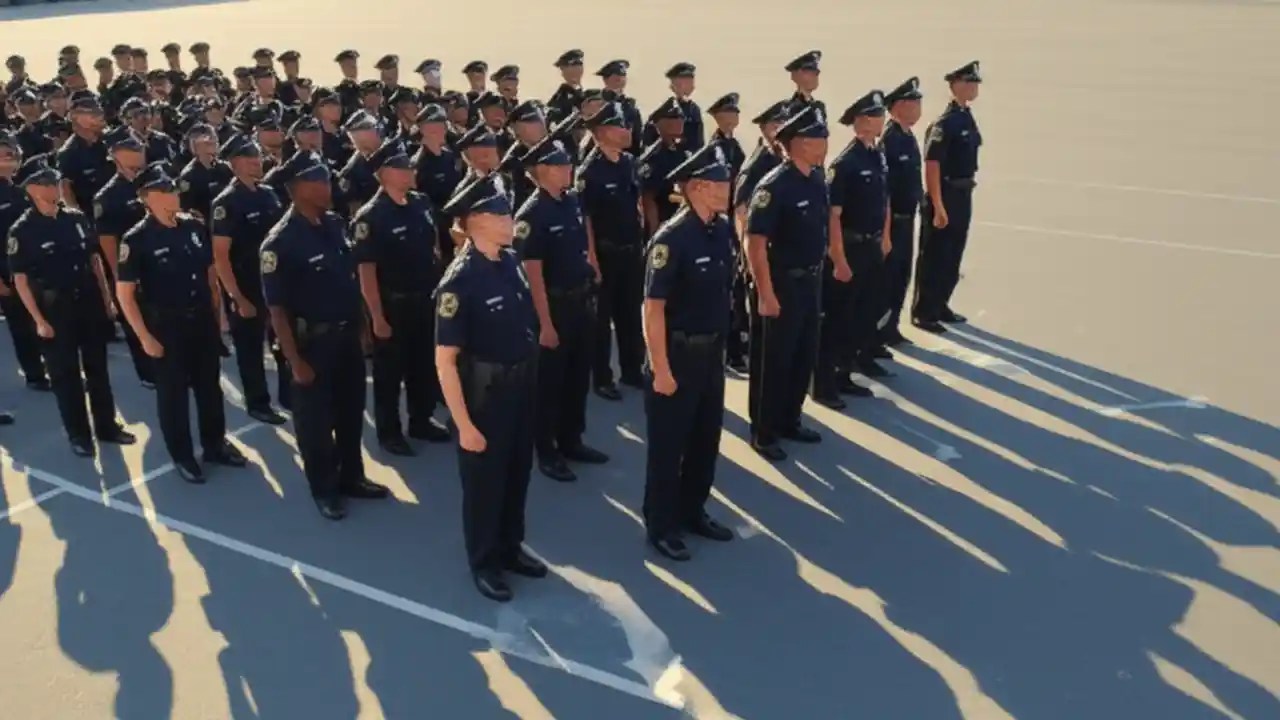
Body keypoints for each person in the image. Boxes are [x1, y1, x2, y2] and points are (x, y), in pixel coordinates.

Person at [434, 172, 546, 602]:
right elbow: (445, 361)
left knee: (518, 473)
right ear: (477, 220)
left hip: (519, 388)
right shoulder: (459, 282)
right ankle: (484, 561)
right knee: (485, 485)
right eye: (501, 212)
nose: (509, 218)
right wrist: (464, 425)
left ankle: (510, 547)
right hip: (485, 397)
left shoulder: (509, 261)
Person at [261, 152, 388, 520]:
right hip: (310, 346)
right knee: (315, 425)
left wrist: (363, 327)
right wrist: (294, 361)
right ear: (298, 189)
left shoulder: (334, 225)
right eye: (318, 181)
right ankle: (324, 489)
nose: (327, 186)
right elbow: (278, 312)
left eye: (327, 179)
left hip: (346, 337)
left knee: (350, 414)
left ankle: (353, 477)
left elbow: (350, 282)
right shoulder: (279, 242)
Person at [115, 164, 246, 483]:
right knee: (173, 395)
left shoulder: (193, 226)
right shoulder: (137, 240)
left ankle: (215, 444)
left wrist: (217, 317)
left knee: (209, 387)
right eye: (169, 190)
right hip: (166, 327)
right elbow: (126, 295)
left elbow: (209, 274)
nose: (176, 195)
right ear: (150, 197)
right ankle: (183, 455)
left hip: (200, 319)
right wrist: (144, 337)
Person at [640, 142, 738, 561]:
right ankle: (661, 525)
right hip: (676, 356)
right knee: (669, 446)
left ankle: (693, 509)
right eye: (720, 182)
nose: (727, 187)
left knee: (704, 438)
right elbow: (653, 308)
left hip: (710, 353)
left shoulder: (720, 229)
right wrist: (660, 367)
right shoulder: (671, 240)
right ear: (698, 187)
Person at [7, 158, 135, 457]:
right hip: (54, 309)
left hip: (88, 302)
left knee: (98, 369)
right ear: (32, 190)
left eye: (54, 183)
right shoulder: (22, 231)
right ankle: (78, 434)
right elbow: (22, 281)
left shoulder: (76, 219)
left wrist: (107, 300)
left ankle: (106, 427)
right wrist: (38, 319)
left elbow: (94, 262)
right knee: (66, 376)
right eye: (47, 184)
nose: (53, 189)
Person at [513, 136, 608, 483]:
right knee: (549, 382)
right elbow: (531, 273)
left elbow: (584, 233)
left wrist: (593, 264)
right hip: (553, 304)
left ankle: (572, 439)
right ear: (543, 171)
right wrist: (544, 324)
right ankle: (547, 449)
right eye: (561, 165)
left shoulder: (571, 201)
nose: (569, 169)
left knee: (577, 375)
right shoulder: (531, 214)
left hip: (581, 299)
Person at [352, 139, 451, 455]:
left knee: (423, 365)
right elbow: (366, 271)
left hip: (425, 299)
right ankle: (389, 431)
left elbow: (434, 244)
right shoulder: (371, 217)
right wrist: (376, 317)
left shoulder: (420, 203)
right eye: (403, 167)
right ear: (384, 173)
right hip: (392, 304)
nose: (411, 171)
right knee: (389, 373)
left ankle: (420, 419)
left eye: (410, 166)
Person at [744, 104, 829, 461]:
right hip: (780, 283)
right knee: (773, 360)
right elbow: (755, 242)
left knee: (802, 354)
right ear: (797, 143)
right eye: (817, 138)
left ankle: (790, 418)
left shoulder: (815, 179)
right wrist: (765, 292)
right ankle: (764, 431)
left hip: (809, 281)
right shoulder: (774, 186)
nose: (824, 144)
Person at [813, 90, 892, 409]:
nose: (880, 121)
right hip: (849, 247)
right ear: (860, 122)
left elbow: (885, 199)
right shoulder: (846, 163)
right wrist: (838, 257)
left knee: (860, 314)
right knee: (837, 318)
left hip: (871, 246)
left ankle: (844, 373)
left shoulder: (876, 154)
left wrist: (885, 237)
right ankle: (824, 384)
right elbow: (834, 215)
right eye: (875, 117)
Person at [210, 135, 290, 424]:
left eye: (257, 156)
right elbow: (221, 256)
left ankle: (288, 395)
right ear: (234, 163)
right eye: (249, 158)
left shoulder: (268, 194)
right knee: (250, 350)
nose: (257, 161)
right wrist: (237, 297)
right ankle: (258, 403)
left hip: (275, 284)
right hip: (246, 285)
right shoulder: (227, 202)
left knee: (283, 340)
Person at [577, 101, 644, 400]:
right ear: (602, 133)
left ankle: (632, 369)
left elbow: (636, 202)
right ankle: (602, 377)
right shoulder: (589, 171)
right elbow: (586, 218)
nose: (626, 130)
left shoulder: (629, 163)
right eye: (620, 126)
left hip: (630, 250)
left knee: (630, 312)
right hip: (604, 252)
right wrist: (591, 258)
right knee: (601, 320)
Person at [912, 60, 982, 333]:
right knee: (935, 254)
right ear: (954, 86)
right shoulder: (945, 123)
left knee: (953, 252)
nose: (973, 88)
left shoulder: (965, 117)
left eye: (975, 84)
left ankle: (941, 303)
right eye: (968, 83)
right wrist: (938, 205)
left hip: (963, 192)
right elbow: (932, 165)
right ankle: (924, 311)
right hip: (946, 192)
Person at [93, 133, 157, 389]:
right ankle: (147, 373)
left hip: (159, 263)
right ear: (117, 161)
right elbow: (108, 244)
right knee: (137, 321)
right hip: (130, 267)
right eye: (133, 165)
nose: (138, 169)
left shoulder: (154, 184)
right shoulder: (108, 197)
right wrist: (121, 277)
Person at [0, 133, 49, 391]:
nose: (10, 160)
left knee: (44, 320)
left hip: (36, 269)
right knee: (22, 328)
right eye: (4, 155)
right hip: (8, 273)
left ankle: (53, 367)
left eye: (12, 154)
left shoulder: (20, 188)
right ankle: (35, 374)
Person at [880, 77, 924, 347]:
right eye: (913, 104)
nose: (918, 108)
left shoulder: (908, 137)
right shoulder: (891, 140)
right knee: (887, 280)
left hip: (907, 220)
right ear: (897, 107)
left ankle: (891, 326)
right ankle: (879, 331)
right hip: (892, 222)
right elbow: (885, 190)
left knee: (901, 276)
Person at [705, 93, 748, 371]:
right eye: (727, 115)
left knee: (737, 287)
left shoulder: (734, 146)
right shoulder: (717, 149)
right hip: (723, 222)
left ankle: (737, 342)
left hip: (735, 222)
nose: (732, 119)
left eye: (735, 114)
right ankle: (730, 349)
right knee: (728, 289)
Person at [410, 103, 466, 264]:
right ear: (424, 129)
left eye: (443, 125)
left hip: (453, 226)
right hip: (434, 231)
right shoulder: (418, 164)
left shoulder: (448, 157)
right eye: (437, 127)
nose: (443, 130)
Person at [638, 98, 692, 237]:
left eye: (681, 118)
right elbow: (648, 198)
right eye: (674, 119)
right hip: (664, 222)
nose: (680, 123)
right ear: (662, 124)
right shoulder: (654, 157)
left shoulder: (682, 151)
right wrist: (655, 231)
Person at [643, 63, 703, 152]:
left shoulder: (694, 109)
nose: (692, 86)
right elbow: (650, 132)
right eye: (685, 83)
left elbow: (698, 141)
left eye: (691, 82)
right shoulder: (666, 107)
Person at [595, 60, 644, 156]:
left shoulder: (630, 107)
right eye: (616, 78)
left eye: (623, 77)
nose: (620, 79)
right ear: (605, 80)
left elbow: (636, 138)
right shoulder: (596, 103)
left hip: (625, 159)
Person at [546, 49, 585, 126]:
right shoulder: (562, 95)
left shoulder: (584, 94)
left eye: (579, 66)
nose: (579, 70)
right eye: (563, 69)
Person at [785, 51, 825, 115]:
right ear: (795, 76)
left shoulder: (819, 107)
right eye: (808, 73)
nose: (814, 77)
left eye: (816, 73)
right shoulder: (787, 109)